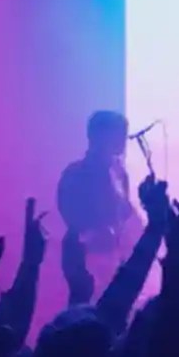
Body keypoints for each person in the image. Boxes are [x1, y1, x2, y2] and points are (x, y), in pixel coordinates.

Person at [56, 111, 136, 270]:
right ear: (100, 136)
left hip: (116, 258)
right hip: (85, 258)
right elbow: (70, 213)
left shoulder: (120, 173)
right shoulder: (75, 173)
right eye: (118, 133)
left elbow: (124, 213)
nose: (124, 139)